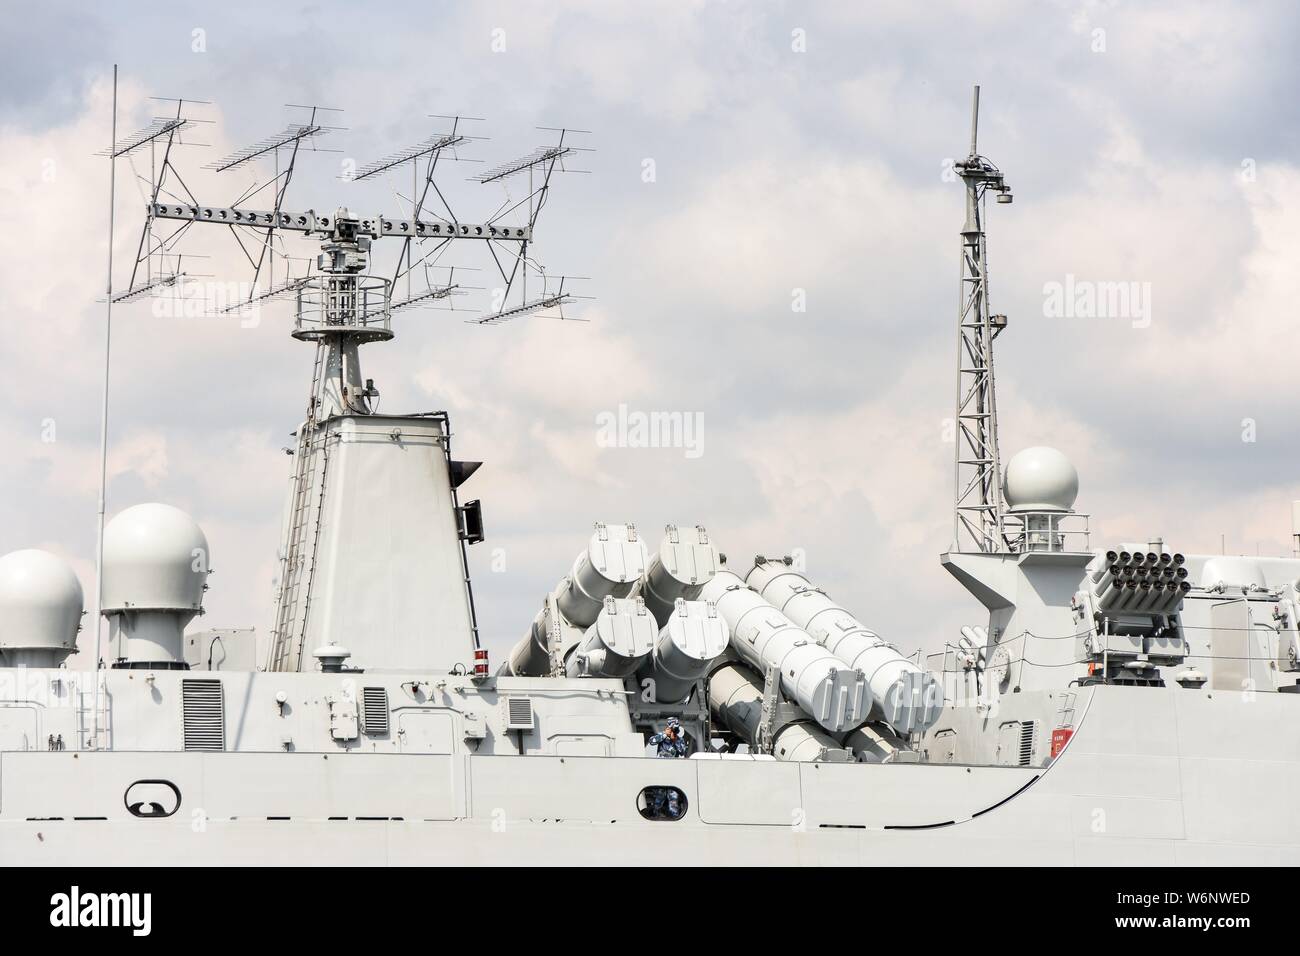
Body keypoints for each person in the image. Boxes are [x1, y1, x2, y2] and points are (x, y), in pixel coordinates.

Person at [644, 719, 688, 819]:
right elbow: (652, 741)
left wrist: (675, 740)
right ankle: (656, 816)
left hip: (673, 773)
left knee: (673, 799)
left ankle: (674, 818)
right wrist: (664, 734)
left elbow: (682, 752)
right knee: (659, 798)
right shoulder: (662, 736)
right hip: (661, 772)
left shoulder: (679, 740)